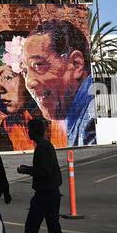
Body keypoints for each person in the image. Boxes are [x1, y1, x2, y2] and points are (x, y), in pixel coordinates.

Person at [10, 117, 74, 233]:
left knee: (31, 229)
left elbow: (45, 171)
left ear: (34, 131)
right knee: (54, 231)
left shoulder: (42, 148)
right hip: (52, 194)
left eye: (29, 129)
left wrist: (27, 170)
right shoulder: (46, 146)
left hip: (45, 195)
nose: (28, 132)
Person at [21, 18, 96, 148]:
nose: (29, 82)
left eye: (38, 65)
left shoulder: (90, 122)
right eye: (24, 71)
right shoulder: (79, 117)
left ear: (76, 64)